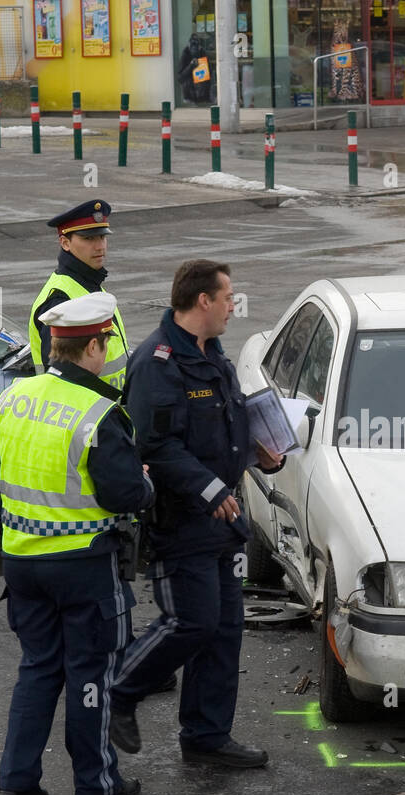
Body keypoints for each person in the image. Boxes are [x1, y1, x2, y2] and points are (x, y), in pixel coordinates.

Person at [108, 260, 285, 768]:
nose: (234, 305)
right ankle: (121, 689)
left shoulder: (213, 354)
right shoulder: (157, 364)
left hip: (222, 521)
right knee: (192, 622)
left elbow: (222, 427)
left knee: (225, 629)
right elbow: (156, 446)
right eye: (228, 296)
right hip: (182, 519)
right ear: (203, 300)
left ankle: (207, 737)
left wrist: (259, 451)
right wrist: (207, 487)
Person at [0, 292, 155, 795]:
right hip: (84, 563)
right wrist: (145, 483)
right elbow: (125, 495)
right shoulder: (100, 412)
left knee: (38, 668)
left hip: (20, 562)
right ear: (94, 346)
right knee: (92, 674)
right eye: (105, 341)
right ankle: (96, 783)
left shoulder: (10, 398)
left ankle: (18, 778)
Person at [29, 200, 130, 392]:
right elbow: (63, 380)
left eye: (102, 237)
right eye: (89, 239)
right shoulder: (59, 301)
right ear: (65, 243)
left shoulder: (90, 285)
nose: (100, 246)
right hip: (86, 416)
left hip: (108, 411)